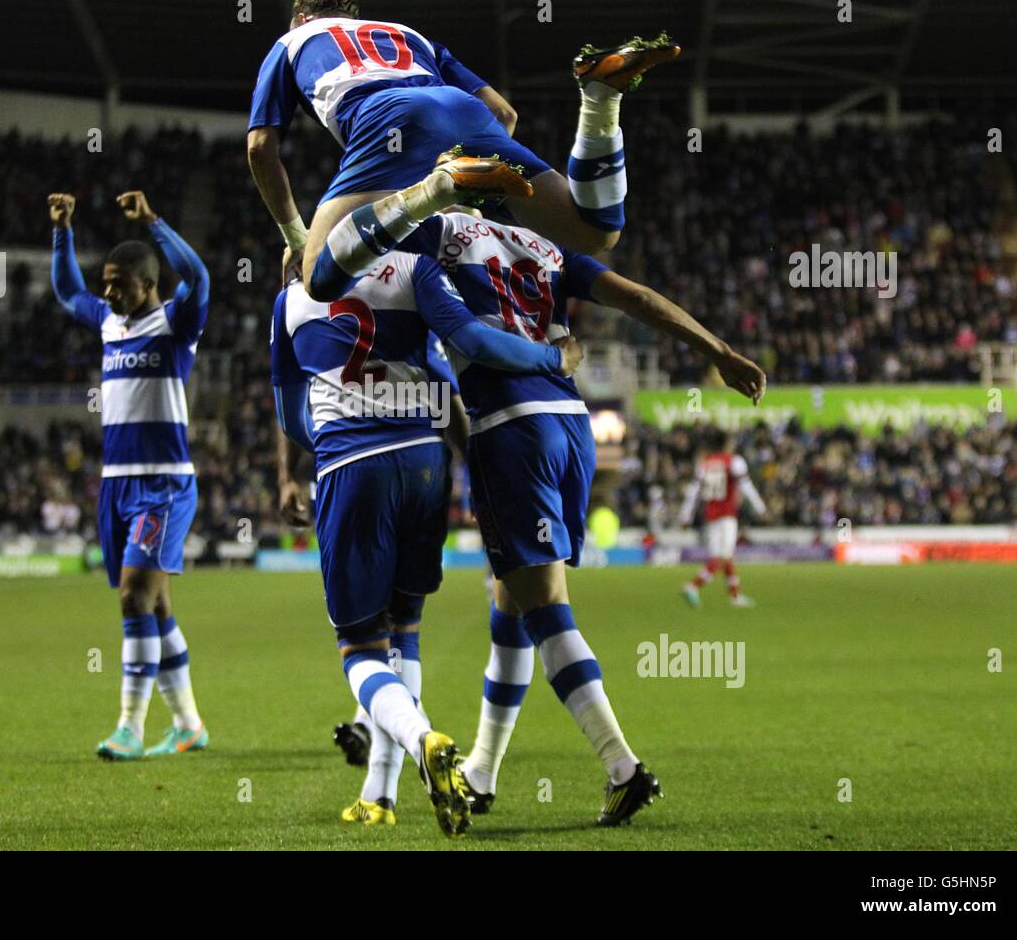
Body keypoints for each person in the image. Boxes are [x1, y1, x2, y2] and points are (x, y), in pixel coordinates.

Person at [312, 186, 766, 824]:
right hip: (572, 422)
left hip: (509, 424)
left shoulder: (435, 233)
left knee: (545, 606)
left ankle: (622, 765)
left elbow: (344, 254)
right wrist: (715, 349)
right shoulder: (547, 248)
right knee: (511, 597)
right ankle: (482, 770)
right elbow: (635, 297)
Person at [271, 231, 584, 835]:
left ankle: (422, 741)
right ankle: (379, 794)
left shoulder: (288, 305)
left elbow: (291, 417)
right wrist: (552, 359)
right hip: (424, 460)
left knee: (359, 648)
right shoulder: (412, 268)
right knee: (404, 630)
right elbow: (465, 347)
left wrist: (342, 435)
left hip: (353, 464)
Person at [246, 0, 680, 296]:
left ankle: (431, 191)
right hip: (466, 113)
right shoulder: (407, 33)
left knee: (318, 276)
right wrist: (475, 190)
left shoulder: (292, 41)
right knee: (595, 235)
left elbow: (260, 148)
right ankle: (600, 99)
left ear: (301, 18)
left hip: (389, 118)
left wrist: (296, 238)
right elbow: (504, 111)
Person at [48, 188, 211, 761]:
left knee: (132, 601)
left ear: (149, 285)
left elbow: (201, 277)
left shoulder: (176, 323)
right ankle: (189, 723)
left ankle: (130, 727)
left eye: (121, 283)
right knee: (156, 606)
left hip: (162, 483)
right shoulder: (107, 323)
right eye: (108, 282)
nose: (109, 292)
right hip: (115, 482)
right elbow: (69, 290)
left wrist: (156, 223)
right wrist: (63, 230)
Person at [678, 429, 768, 609]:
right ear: (726, 444)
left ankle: (735, 596)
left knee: (724, 557)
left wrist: (685, 515)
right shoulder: (734, 462)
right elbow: (746, 486)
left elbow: (693, 492)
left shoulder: (704, 464)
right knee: (722, 556)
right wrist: (761, 508)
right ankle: (693, 586)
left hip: (710, 515)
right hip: (727, 515)